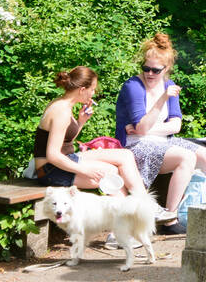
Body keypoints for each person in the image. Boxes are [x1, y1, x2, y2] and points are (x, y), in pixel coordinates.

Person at [115, 33, 206, 214]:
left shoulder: (170, 85)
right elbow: (141, 129)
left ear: (166, 68)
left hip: (162, 141)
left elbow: (175, 126)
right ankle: (170, 214)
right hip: (135, 145)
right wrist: (161, 100)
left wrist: (144, 130)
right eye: (146, 68)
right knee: (187, 157)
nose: (149, 74)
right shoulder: (134, 87)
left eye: (155, 70)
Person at [34, 67, 148, 197]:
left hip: (64, 159)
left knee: (125, 155)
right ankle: (130, 210)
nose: (93, 93)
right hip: (49, 171)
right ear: (82, 90)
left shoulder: (63, 103)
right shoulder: (61, 111)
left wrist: (81, 121)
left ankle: (143, 203)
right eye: (92, 89)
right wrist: (85, 170)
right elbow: (53, 155)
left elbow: (65, 141)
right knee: (111, 173)